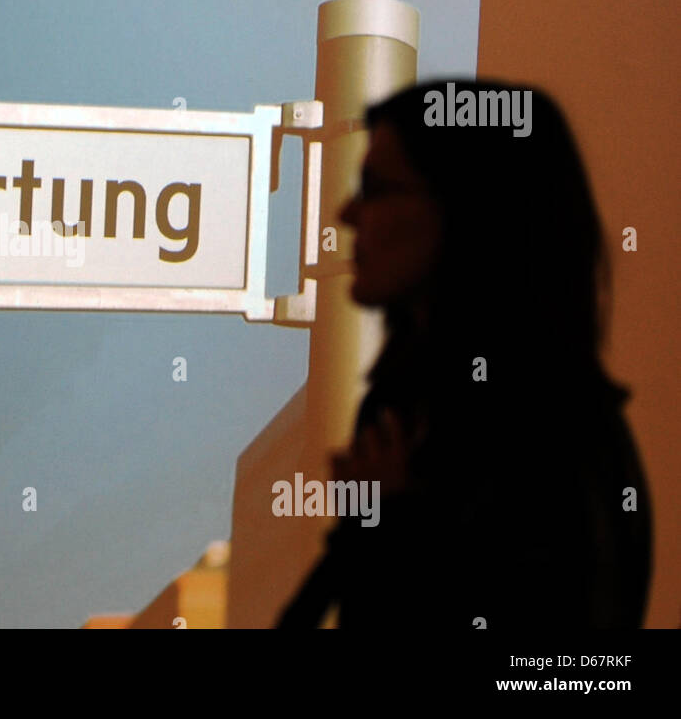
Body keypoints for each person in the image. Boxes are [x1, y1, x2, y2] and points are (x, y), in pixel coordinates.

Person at [277, 79, 652, 628]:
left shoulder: (556, 445)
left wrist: (390, 529)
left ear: (468, 209)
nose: (346, 213)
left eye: (376, 188)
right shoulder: (407, 418)